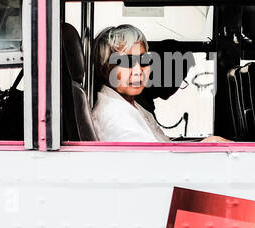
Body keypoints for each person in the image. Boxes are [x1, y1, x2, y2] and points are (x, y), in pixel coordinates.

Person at [90, 25, 228, 143]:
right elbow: (157, 166)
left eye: (144, 60)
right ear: (105, 68)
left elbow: (161, 146)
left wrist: (206, 144)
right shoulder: (116, 115)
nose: (138, 71)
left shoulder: (131, 105)